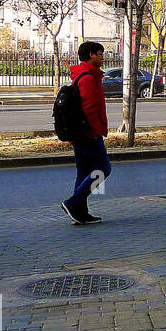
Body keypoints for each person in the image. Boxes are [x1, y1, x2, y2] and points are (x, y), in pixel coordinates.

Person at [60, 41, 112, 225]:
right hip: (88, 133)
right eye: (100, 53)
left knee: (83, 172)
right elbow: (89, 108)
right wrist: (95, 132)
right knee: (103, 169)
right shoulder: (89, 78)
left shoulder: (83, 75)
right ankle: (73, 203)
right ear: (91, 55)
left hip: (80, 134)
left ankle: (80, 212)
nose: (102, 57)